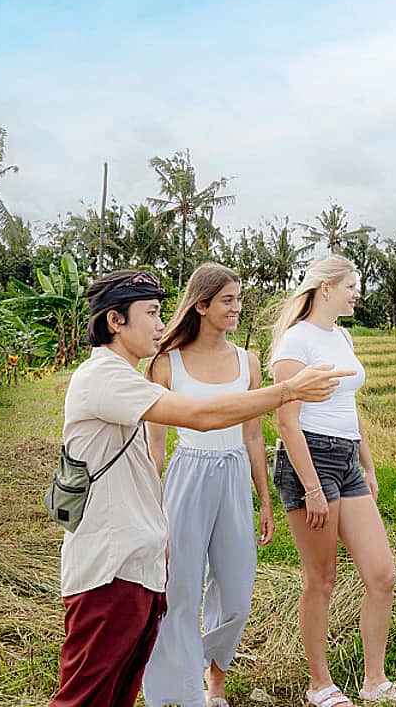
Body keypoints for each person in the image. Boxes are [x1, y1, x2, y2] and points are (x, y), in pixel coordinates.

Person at [51, 269, 352, 707]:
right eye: (151, 314)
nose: (160, 325)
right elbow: (201, 416)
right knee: (86, 696)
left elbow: (145, 470)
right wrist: (287, 390)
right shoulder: (104, 378)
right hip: (109, 570)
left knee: (116, 693)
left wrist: (159, 534)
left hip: (133, 561)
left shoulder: (127, 378)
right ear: (116, 321)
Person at [269, 255, 396, 707]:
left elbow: (348, 406)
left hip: (346, 460)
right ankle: (319, 685)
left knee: (382, 574)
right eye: (350, 285)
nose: (356, 293)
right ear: (325, 288)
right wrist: (311, 488)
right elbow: (286, 423)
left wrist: (367, 462)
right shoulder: (295, 341)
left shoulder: (342, 337)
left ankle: (374, 682)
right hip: (309, 459)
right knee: (321, 579)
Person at [141, 264, 273, 707]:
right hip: (187, 476)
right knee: (179, 589)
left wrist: (264, 501)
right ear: (201, 305)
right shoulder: (166, 364)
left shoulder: (247, 362)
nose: (238, 307)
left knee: (236, 593)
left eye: (238, 299)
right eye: (228, 300)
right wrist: (151, 507)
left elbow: (254, 435)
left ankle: (214, 676)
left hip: (235, 475)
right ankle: (177, 692)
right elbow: (155, 448)